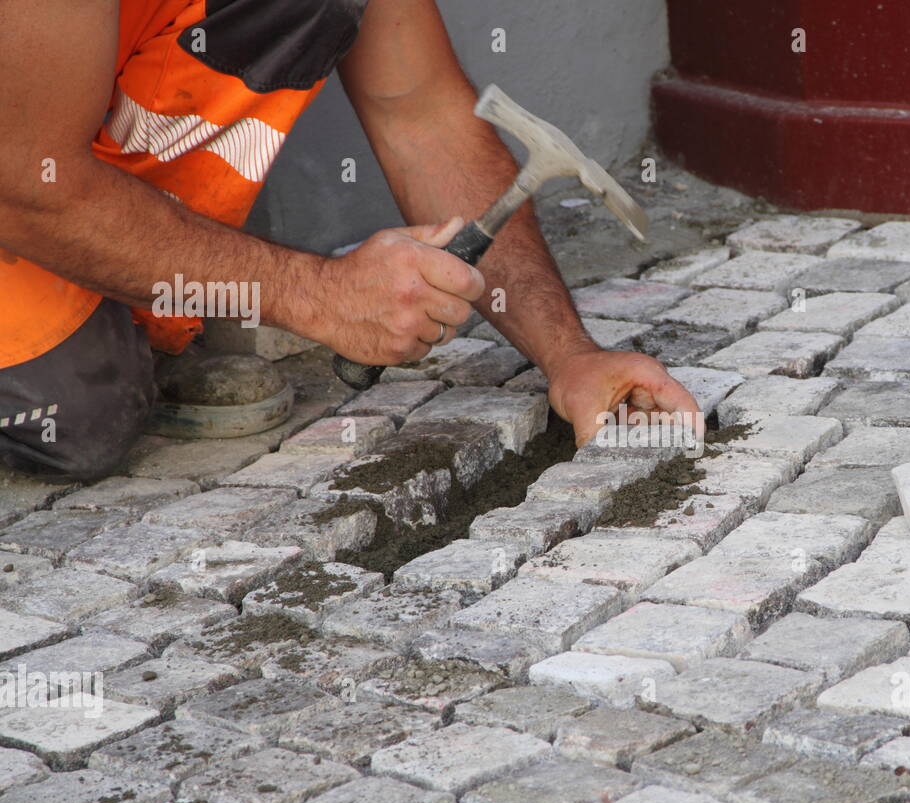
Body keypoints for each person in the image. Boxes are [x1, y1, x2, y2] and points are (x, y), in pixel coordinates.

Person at [0, 0, 700, 481]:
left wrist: (569, 356)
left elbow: (422, 114)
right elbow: (25, 179)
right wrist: (320, 296)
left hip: (60, 168)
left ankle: (137, 309)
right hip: (23, 178)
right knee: (81, 415)